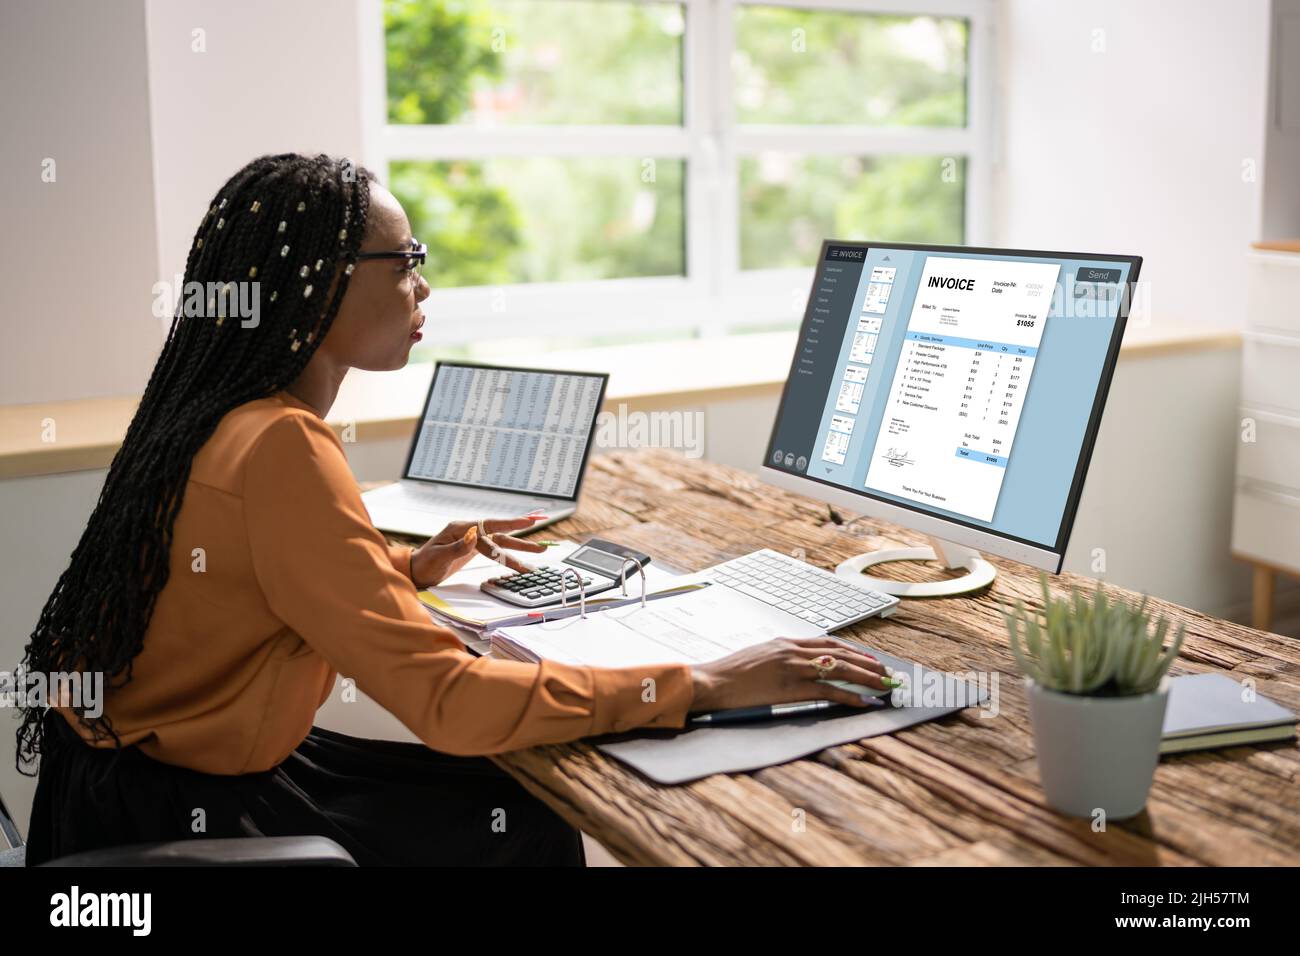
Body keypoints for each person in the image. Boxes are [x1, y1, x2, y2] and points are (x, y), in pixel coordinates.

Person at [18, 154, 889, 866]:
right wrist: (703, 683)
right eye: (407, 262)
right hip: (180, 813)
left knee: (510, 801)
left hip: (109, 787)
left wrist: (399, 568)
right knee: (529, 823)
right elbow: (452, 702)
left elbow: (241, 586)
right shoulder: (282, 446)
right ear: (319, 286)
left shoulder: (210, 415)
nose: (423, 287)